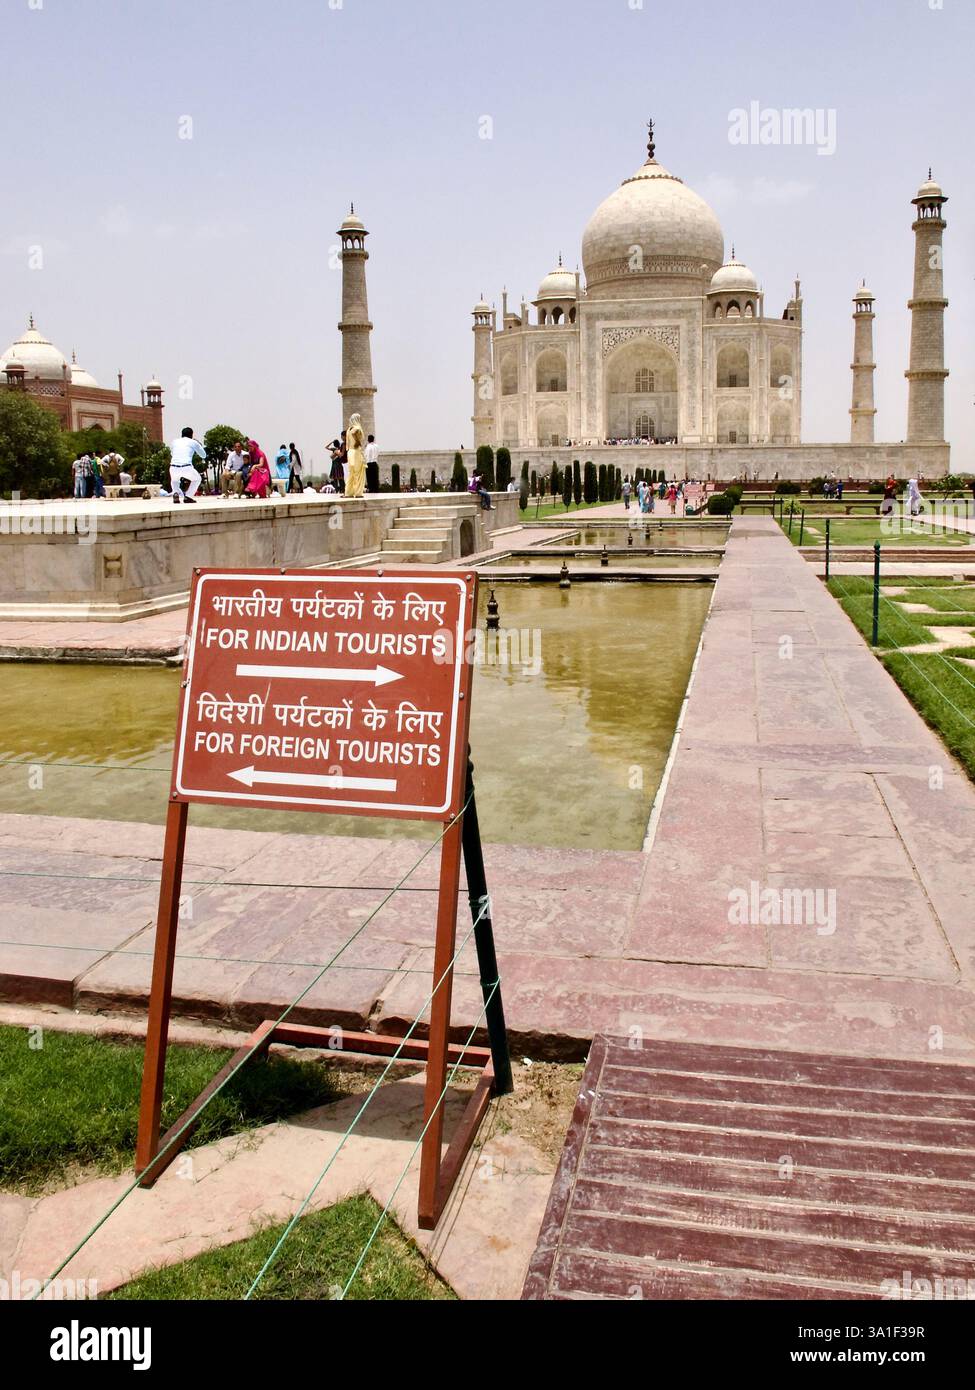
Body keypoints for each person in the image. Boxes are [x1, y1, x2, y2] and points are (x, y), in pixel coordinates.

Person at [168, 426, 206, 502]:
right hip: (186, 467)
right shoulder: (193, 442)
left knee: (174, 481)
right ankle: (188, 496)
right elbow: (203, 455)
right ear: (191, 435)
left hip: (173, 467)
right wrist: (197, 445)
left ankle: (176, 493)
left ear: (182, 434)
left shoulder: (174, 441)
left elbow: (172, 453)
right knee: (197, 479)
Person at [345, 414, 366, 498]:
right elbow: (354, 434)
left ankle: (349, 492)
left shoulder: (349, 429)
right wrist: (358, 442)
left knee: (351, 473)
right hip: (356, 452)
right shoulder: (357, 428)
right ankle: (358, 493)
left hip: (350, 452)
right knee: (358, 472)